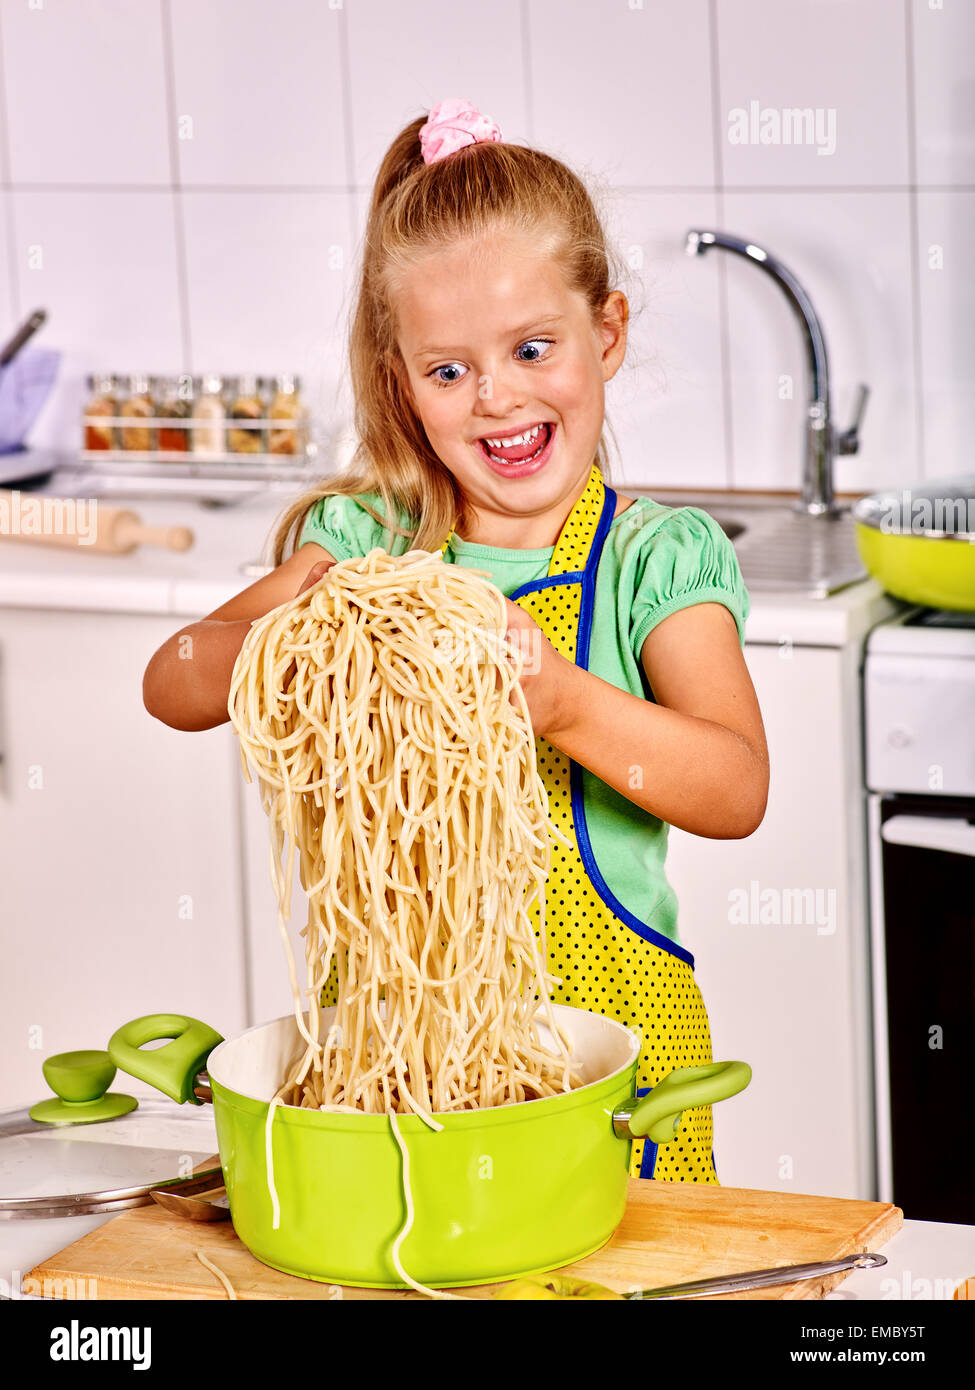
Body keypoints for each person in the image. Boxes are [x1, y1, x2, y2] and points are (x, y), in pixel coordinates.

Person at [144, 98, 769, 1182]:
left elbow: (735, 787)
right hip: (399, 1058)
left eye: (533, 348)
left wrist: (567, 702)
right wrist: (296, 628)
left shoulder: (652, 562)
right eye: (448, 371)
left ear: (606, 334)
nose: (497, 398)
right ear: (402, 382)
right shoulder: (365, 548)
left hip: (614, 1064)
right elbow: (174, 685)